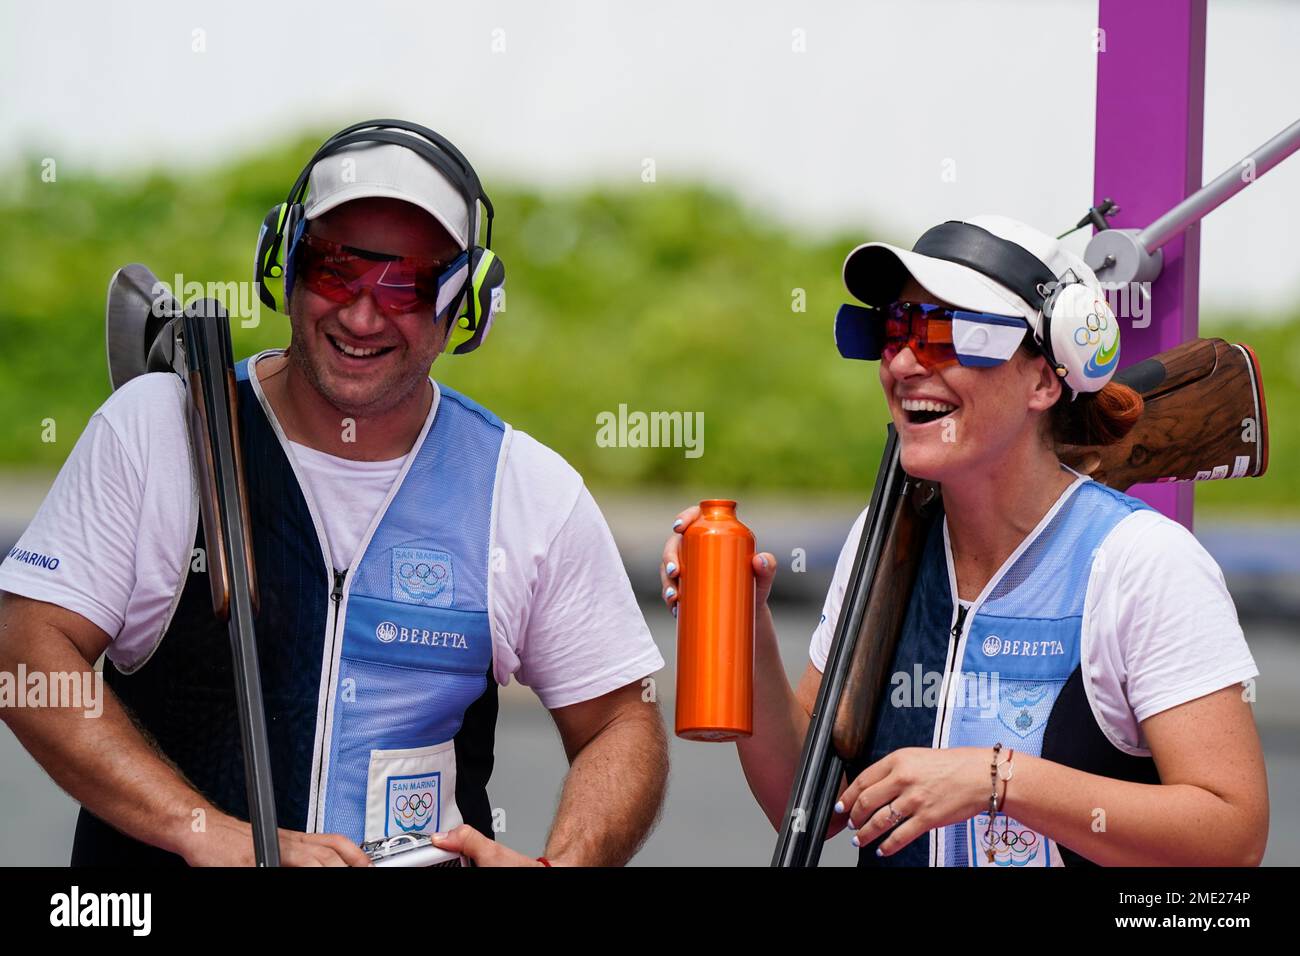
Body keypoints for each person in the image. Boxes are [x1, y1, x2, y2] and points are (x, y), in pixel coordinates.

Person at [0, 120, 667, 867]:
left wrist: (564, 865)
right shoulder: (156, 431)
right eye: (334, 270)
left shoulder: (527, 488)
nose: (360, 314)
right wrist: (199, 829)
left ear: (466, 304)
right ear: (281, 265)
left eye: (408, 285)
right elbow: (25, 650)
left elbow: (620, 722)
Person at [660, 215, 1268, 866]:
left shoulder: (1142, 561)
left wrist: (997, 780)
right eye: (895, 331)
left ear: (1044, 379)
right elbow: (808, 802)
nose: (904, 362)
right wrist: (745, 624)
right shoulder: (882, 541)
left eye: (950, 334)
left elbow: (1232, 838)